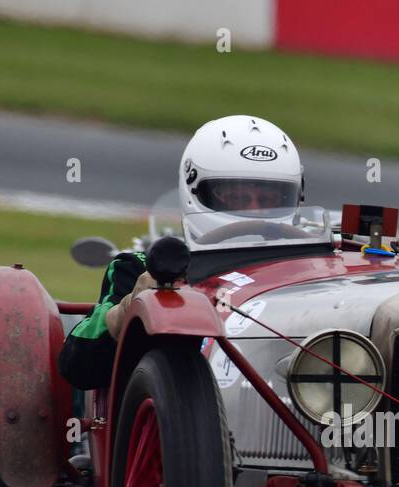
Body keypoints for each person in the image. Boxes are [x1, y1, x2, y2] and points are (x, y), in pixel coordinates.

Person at [58, 115, 304, 390]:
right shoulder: (141, 269)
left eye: (270, 199)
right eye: (236, 197)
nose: (254, 212)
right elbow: (76, 366)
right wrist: (127, 310)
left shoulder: (310, 272)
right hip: (176, 415)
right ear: (194, 189)